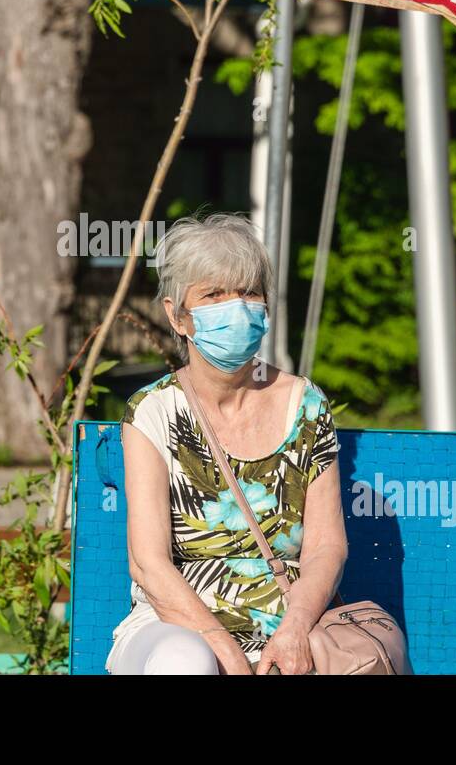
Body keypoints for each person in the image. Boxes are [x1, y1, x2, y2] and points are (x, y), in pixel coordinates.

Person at [107, 214, 348, 675]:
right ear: (177, 316)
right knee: (185, 663)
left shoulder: (307, 405)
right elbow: (149, 566)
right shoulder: (153, 413)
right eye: (214, 294)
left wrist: (294, 630)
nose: (236, 307)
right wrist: (229, 655)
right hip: (175, 625)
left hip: (288, 622)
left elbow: (326, 547)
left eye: (249, 292)